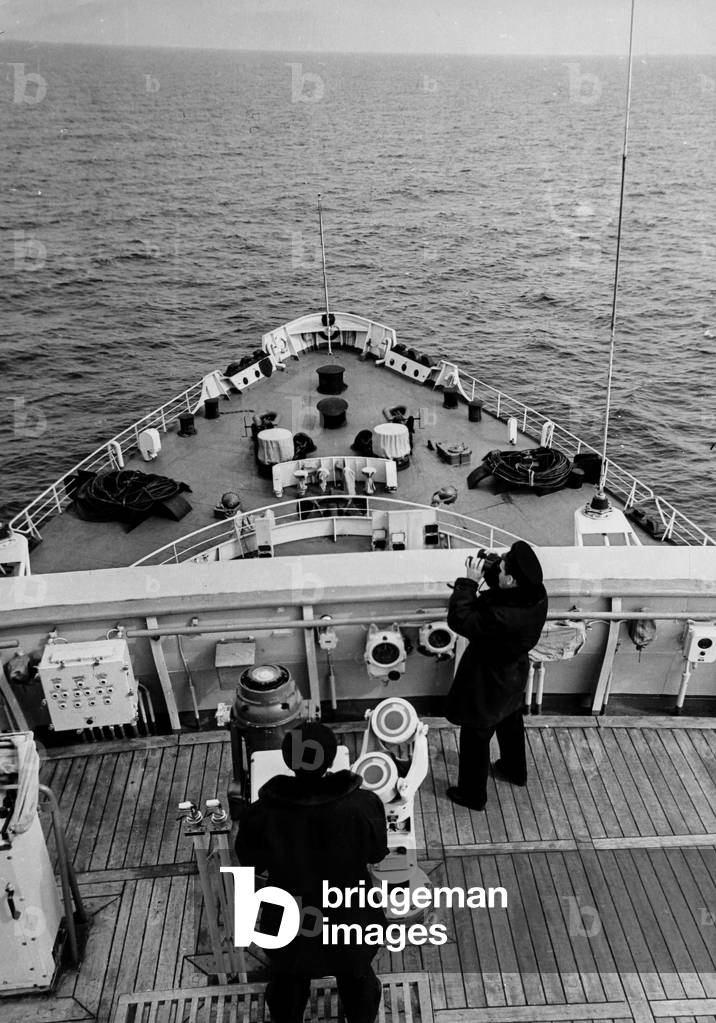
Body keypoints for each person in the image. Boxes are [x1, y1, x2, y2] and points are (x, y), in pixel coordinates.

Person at [235, 721, 389, 1023]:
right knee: (356, 977)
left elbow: (251, 862)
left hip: (291, 916)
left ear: (289, 760)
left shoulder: (262, 812)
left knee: (288, 981)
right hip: (349, 912)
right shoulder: (363, 804)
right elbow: (377, 853)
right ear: (331, 759)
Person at [444, 540, 548, 811]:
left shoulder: (502, 617)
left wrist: (467, 583)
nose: (498, 565)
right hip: (514, 675)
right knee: (510, 722)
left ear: (511, 579)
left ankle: (472, 795)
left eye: (501, 567)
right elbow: (504, 589)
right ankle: (515, 771)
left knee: (475, 738)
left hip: (488, 682)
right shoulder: (536, 594)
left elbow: (460, 620)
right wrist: (492, 569)